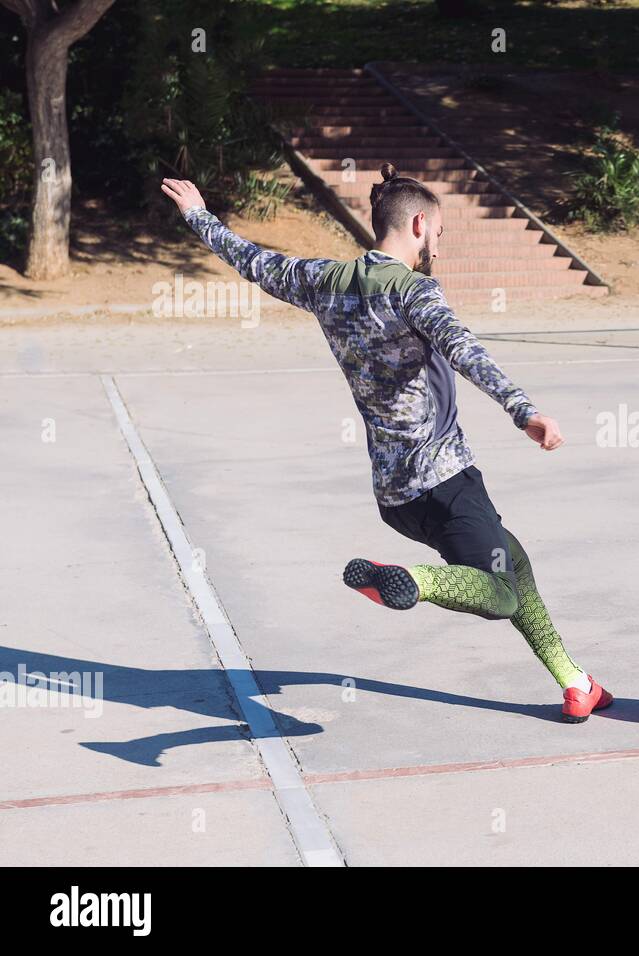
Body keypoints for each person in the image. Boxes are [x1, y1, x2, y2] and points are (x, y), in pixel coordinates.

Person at [160, 166, 613, 722]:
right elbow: (465, 350)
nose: (438, 248)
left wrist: (198, 215)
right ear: (420, 224)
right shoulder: (412, 291)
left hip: (394, 496)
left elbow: (253, 261)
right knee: (502, 594)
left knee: (512, 559)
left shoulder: (325, 281)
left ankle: (576, 683)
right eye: (439, 235)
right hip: (446, 481)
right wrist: (525, 412)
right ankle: (413, 583)